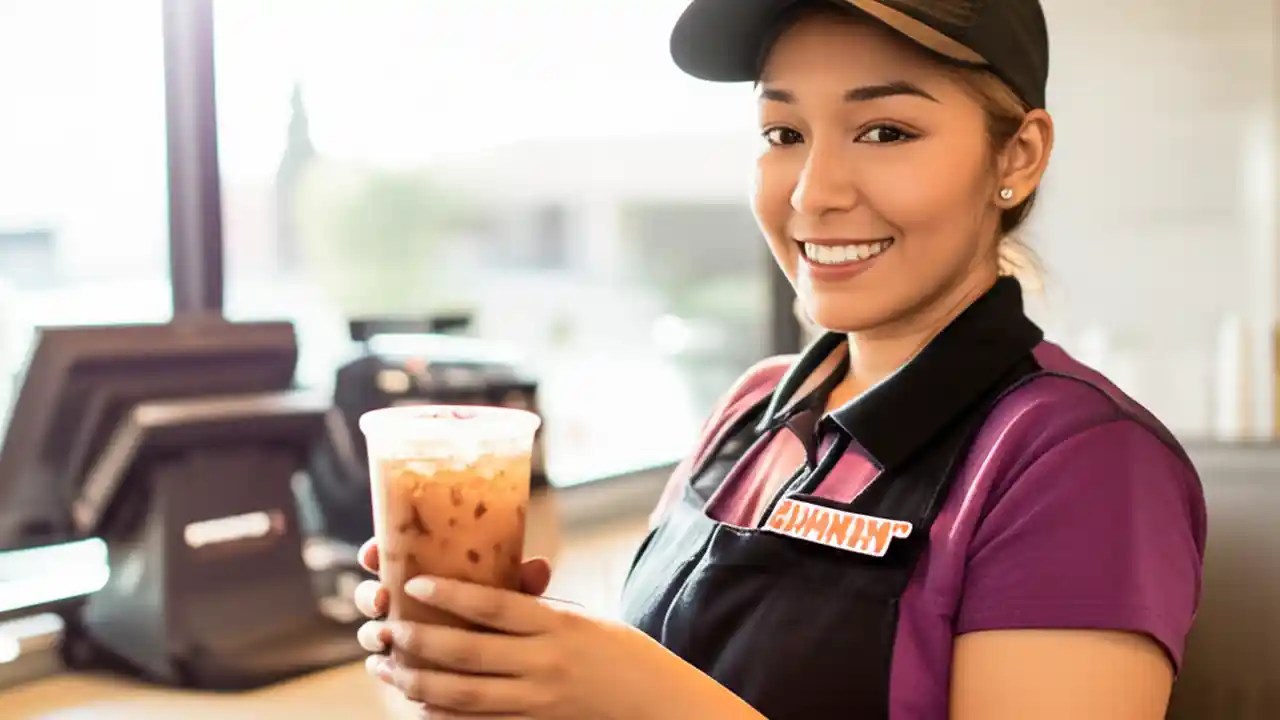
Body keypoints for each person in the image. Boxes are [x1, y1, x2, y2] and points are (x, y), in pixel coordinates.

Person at [352, 1, 1207, 717]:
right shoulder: (757, 405)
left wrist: (647, 698)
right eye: (783, 130)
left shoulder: (1081, 463)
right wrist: (531, 670)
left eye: (883, 130)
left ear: (1016, 156)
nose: (811, 192)